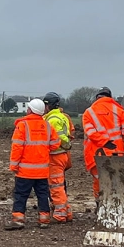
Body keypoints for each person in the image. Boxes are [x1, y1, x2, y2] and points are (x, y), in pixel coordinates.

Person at [6, 98, 60, 230]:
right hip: (42, 170)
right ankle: (44, 219)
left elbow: (17, 147)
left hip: (25, 171)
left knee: (20, 195)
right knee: (42, 194)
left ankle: (18, 220)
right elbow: (55, 144)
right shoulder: (47, 126)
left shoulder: (23, 125)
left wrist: (14, 165)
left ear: (30, 110)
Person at [82, 87, 124, 200]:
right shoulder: (119, 111)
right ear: (110, 97)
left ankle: (100, 204)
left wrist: (105, 143)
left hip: (96, 154)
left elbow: (90, 133)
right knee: (117, 179)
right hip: (117, 154)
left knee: (99, 180)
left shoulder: (89, 112)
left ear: (97, 97)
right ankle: (117, 202)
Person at [42, 91, 74, 223]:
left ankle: (60, 214)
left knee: (56, 186)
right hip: (63, 155)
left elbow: (59, 138)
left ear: (48, 105)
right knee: (60, 185)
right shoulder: (62, 116)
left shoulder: (52, 120)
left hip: (55, 156)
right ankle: (67, 212)